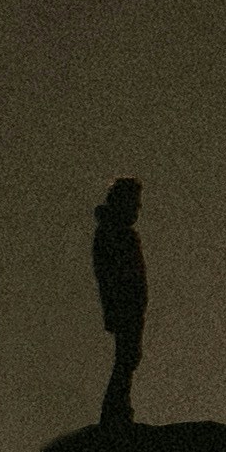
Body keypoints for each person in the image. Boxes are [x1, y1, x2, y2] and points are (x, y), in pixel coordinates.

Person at [91, 177, 146, 429]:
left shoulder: (116, 233)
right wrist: (118, 306)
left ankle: (118, 407)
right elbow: (112, 275)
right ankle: (115, 409)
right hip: (125, 304)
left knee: (128, 357)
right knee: (126, 357)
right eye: (133, 203)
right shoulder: (114, 234)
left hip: (129, 305)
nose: (137, 209)